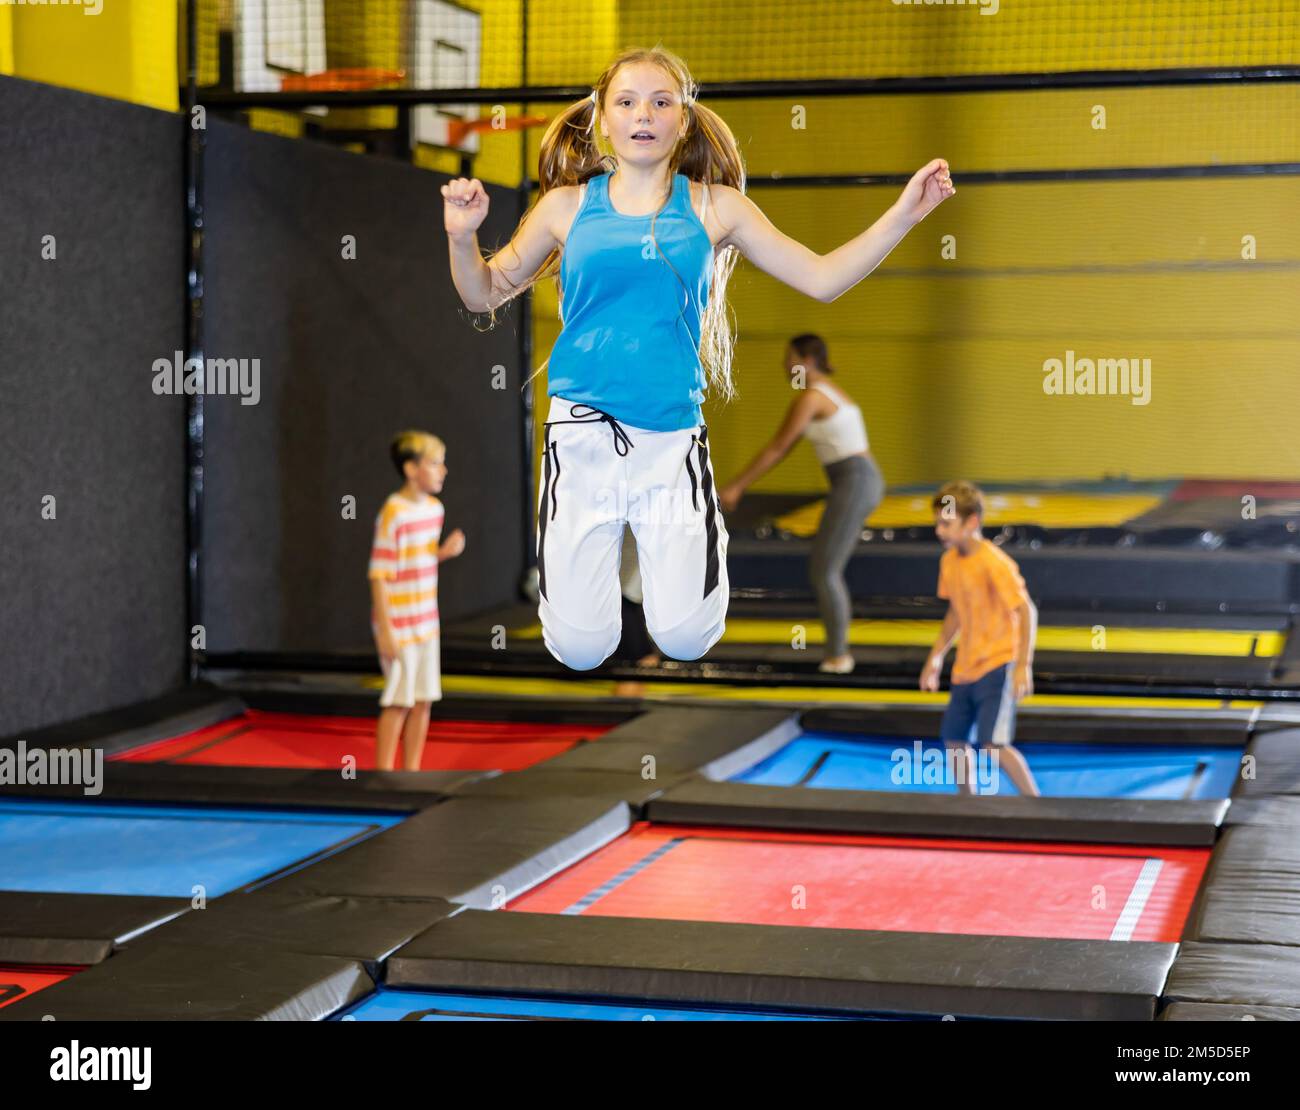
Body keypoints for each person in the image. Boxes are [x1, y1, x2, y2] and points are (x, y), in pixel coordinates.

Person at [441, 45, 954, 672]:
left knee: (684, 639)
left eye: (661, 102)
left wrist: (904, 215)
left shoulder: (714, 207)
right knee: (579, 649)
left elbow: (821, 278)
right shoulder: (566, 208)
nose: (643, 115)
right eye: (626, 102)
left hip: (668, 441)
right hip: (580, 438)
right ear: (602, 118)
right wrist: (462, 237)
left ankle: (697, 529)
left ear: (683, 121)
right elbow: (484, 291)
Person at [718, 334, 884, 673]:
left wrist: (736, 487)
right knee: (824, 567)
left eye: (789, 357)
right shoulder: (832, 392)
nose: (785, 365)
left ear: (807, 359)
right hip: (858, 479)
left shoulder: (811, 398)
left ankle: (839, 656)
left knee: (825, 569)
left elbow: (778, 448)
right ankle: (838, 652)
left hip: (856, 480)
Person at [920, 480, 1039, 796]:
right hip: (965, 668)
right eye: (937, 523)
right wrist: (936, 657)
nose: (939, 531)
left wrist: (1023, 665)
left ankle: (1035, 803)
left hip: (997, 663)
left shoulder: (993, 562)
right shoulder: (949, 562)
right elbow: (955, 614)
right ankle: (968, 803)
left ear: (971, 522)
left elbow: (1026, 611)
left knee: (993, 743)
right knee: (955, 740)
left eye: (946, 523)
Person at [368, 430, 465, 771]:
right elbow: (380, 572)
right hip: (399, 623)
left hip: (426, 620)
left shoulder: (435, 509)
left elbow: (416, 560)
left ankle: (411, 773)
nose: (443, 470)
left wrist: (441, 553)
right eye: (435, 463)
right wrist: (386, 630)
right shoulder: (394, 512)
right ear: (411, 469)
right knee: (399, 702)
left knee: (423, 700)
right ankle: (383, 774)